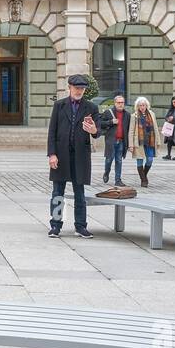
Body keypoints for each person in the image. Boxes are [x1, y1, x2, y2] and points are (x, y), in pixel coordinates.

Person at [47, 74, 101, 239]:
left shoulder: (91, 107)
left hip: (81, 156)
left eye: (82, 89)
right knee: (57, 193)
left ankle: (81, 226)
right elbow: (52, 132)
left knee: (80, 193)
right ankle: (55, 225)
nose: (79, 91)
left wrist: (94, 131)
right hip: (61, 155)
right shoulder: (59, 105)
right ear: (69, 87)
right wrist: (52, 154)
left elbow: (97, 130)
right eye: (77, 88)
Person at [100, 92, 128, 186]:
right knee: (109, 159)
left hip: (121, 141)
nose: (121, 104)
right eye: (119, 102)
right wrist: (110, 122)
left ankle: (118, 180)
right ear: (115, 103)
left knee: (119, 160)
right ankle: (106, 172)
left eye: (122, 102)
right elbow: (100, 123)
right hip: (111, 141)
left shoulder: (127, 115)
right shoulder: (108, 112)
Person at [131, 96, 159, 188]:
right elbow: (131, 131)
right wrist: (131, 145)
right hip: (139, 142)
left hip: (150, 141)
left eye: (144, 105)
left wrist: (158, 141)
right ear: (137, 106)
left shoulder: (152, 114)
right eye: (140, 105)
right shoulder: (134, 116)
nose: (142, 107)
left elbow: (155, 128)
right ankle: (143, 180)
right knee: (139, 161)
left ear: (147, 105)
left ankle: (144, 175)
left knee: (150, 160)